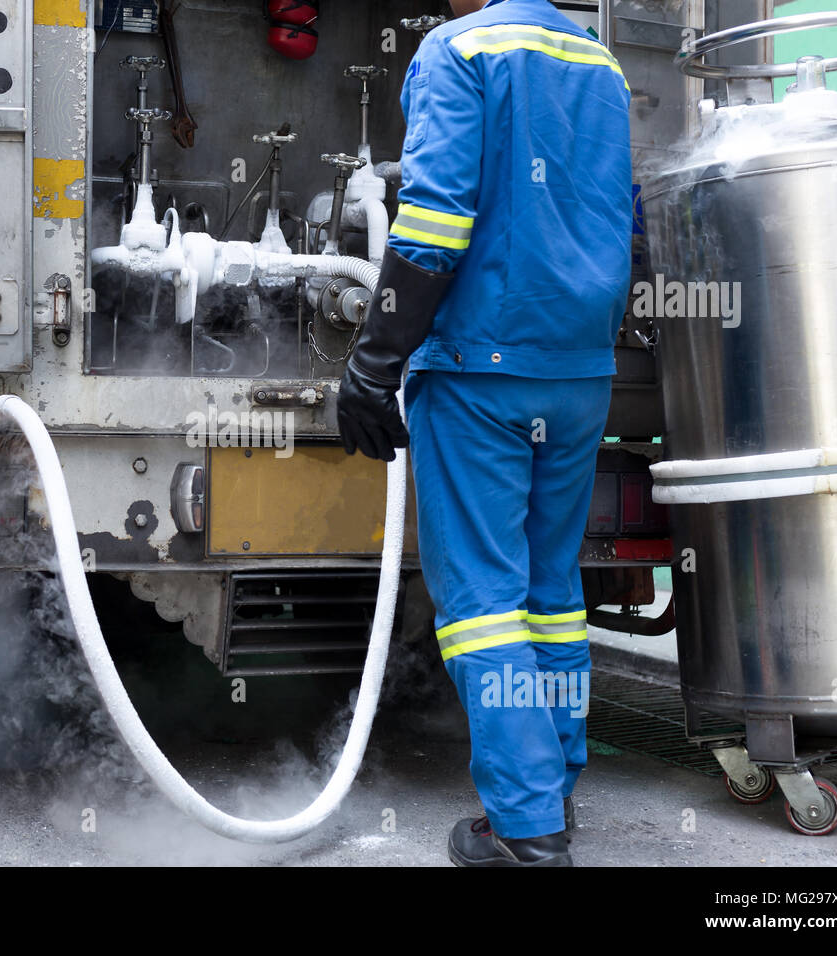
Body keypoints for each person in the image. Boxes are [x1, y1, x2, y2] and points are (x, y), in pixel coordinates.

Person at [337, 0, 633, 867]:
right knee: (551, 591)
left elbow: (432, 222)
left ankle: (526, 831)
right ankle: (554, 788)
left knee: (481, 607)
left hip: (479, 368)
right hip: (578, 372)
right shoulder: (600, 62)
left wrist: (375, 360)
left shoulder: (459, 49)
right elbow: (621, 212)